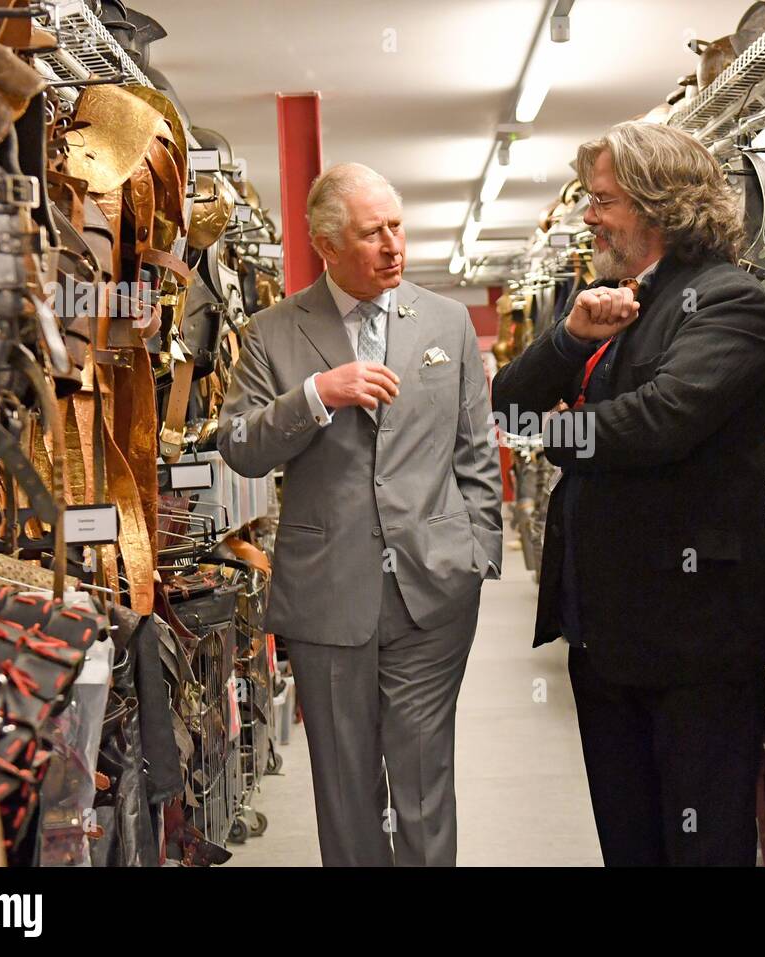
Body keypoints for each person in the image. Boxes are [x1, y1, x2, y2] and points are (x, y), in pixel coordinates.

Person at [490, 122, 765, 866]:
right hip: (609, 632)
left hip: (692, 638)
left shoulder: (729, 301)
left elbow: (662, 420)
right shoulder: (616, 303)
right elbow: (509, 406)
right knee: (631, 844)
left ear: (659, 205)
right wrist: (567, 340)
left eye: (603, 200)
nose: (589, 215)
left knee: (702, 847)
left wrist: (562, 431)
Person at [217, 163, 502, 866]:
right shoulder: (272, 333)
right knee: (345, 790)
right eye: (372, 234)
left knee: (424, 781)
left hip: (433, 591)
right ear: (326, 245)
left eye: (396, 227)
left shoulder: (445, 322)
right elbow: (239, 444)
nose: (393, 246)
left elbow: (475, 448)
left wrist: (477, 550)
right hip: (328, 594)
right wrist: (315, 393)